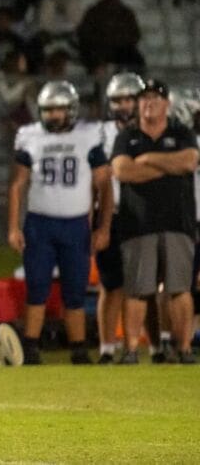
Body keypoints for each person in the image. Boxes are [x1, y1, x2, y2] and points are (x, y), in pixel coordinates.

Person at [7, 81, 110, 365]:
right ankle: (30, 347)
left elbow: (104, 183)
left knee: (75, 290)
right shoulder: (30, 135)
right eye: (48, 110)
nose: (53, 115)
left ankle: (78, 348)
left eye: (59, 109)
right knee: (37, 287)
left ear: (72, 110)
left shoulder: (87, 136)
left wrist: (103, 226)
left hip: (76, 224)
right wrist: (13, 227)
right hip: (40, 224)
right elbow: (18, 185)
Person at [110, 78, 198, 364]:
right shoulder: (127, 136)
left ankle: (183, 348)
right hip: (138, 224)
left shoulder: (181, 132)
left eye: (156, 98)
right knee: (137, 289)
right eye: (145, 98)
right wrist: (166, 166)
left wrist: (147, 159)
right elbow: (123, 171)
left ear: (167, 103)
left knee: (179, 288)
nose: (150, 103)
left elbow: (188, 162)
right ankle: (132, 349)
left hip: (177, 221)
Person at [94, 72, 143, 363]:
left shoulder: (151, 130)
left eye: (129, 99)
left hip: (144, 213)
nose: (123, 105)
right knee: (111, 285)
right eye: (118, 100)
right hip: (111, 213)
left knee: (141, 285)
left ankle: (141, 347)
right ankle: (106, 348)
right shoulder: (99, 133)